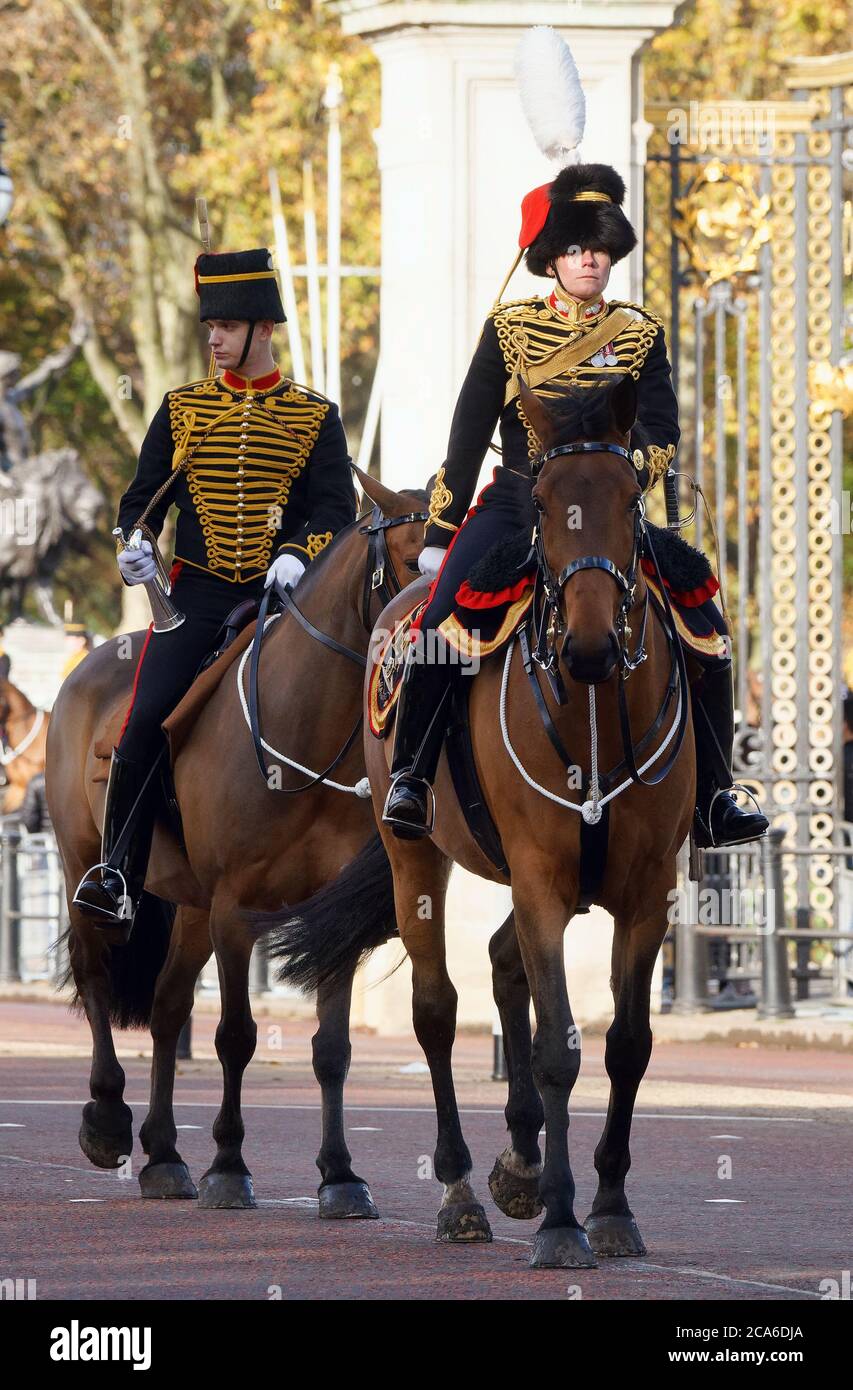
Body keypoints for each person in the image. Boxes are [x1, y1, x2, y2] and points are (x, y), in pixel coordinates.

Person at [382, 162, 769, 851]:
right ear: (552, 258)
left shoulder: (638, 334)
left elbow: (660, 432)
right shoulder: (508, 331)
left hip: (608, 512)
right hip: (516, 505)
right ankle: (411, 776)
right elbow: (466, 438)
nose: (588, 259)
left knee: (705, 625)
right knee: (439, 624)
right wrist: (442, 529)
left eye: (598, 248)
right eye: (574, 248)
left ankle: (714, 795)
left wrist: (622, 477)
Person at [74, 248, 357, 927]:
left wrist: (296, 552)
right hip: (197, 599)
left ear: (263, 330)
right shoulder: (181, 410)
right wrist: (136, 547)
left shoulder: (315, 416)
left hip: (282, 601)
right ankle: (117, 872)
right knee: (142, 724)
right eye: (211, 326)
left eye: (227, 326)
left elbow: (335, 511)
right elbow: (140, 503)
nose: (214, 338)